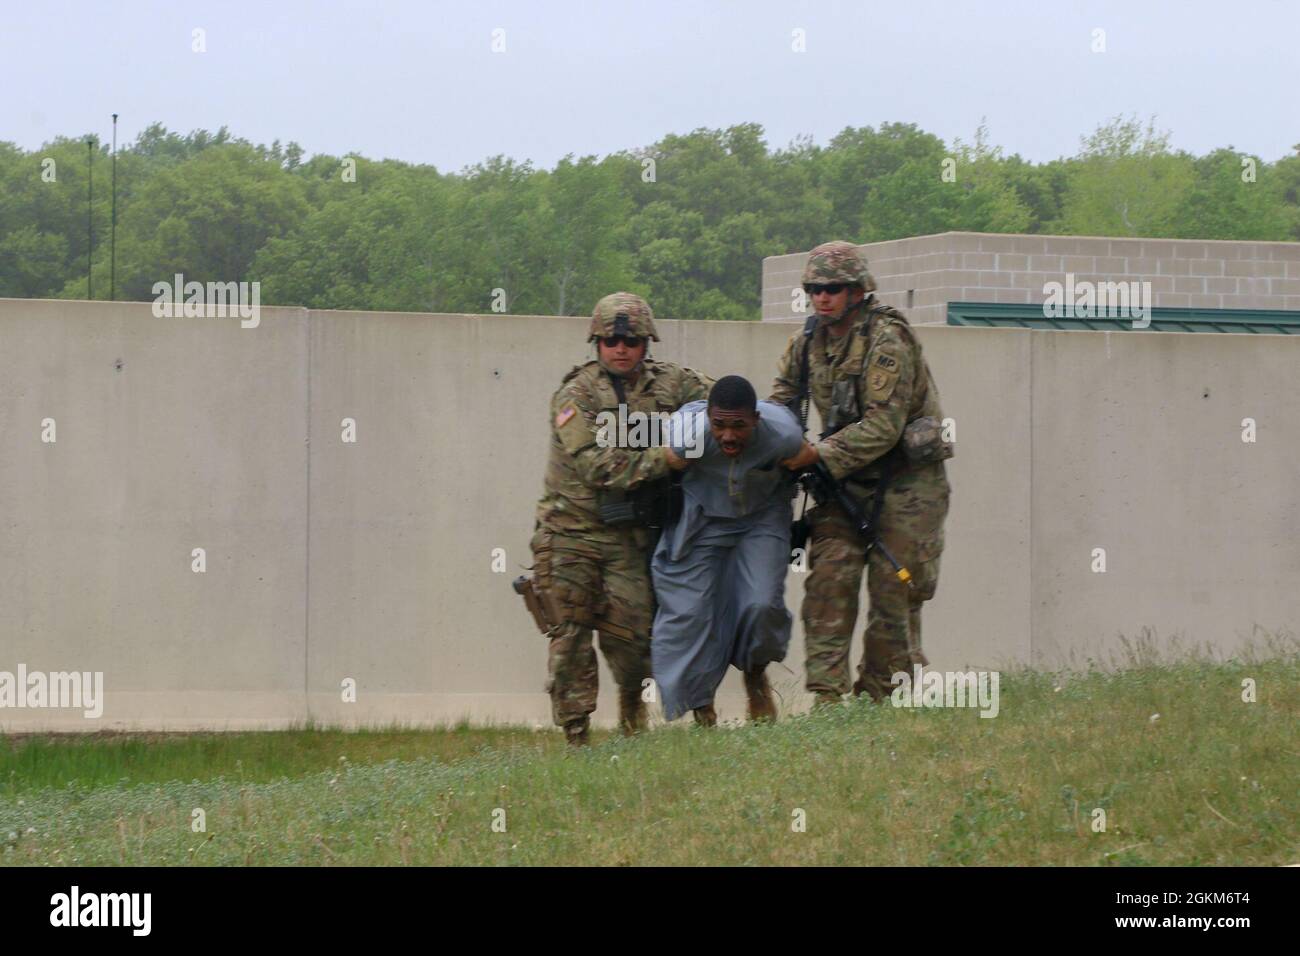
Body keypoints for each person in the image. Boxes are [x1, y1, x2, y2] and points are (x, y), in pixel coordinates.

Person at [523, 292, 712, 746]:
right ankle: (576, 736)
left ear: (647, 342)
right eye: (610, 339)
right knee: (569, 638)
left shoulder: (671, 384)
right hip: (569, 533)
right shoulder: (576, 394)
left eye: (631, 339)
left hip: (629, 537)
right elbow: (595, 465)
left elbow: (725, 401)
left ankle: (633, 718)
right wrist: (666, 458)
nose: (621, 348)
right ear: (597, 342)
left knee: (634, 641)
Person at [770, 241, 953, 705]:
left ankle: (880, 700)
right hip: (843, 481)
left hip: (906, 484)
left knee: (894, 596)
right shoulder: (806, 342)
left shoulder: (887, 339)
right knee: (828, 584)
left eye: (832, 288)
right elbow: (780, 404)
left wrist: (817, 455)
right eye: (814, 288)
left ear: (857, 291)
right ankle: (828, 703)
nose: (822, 297)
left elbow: (883, 427)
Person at [650, 375, 804, 725]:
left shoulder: (783, 434)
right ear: (707, 418)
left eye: (739, 426)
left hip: (759, 518)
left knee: (762, 603)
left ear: (756, 420)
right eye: (719, 425)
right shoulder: (686, 435)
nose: (729, 436)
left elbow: (805, 457)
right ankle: (701, 703)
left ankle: (755, 672)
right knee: (689, 612)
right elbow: (667, 459)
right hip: (703, 517)